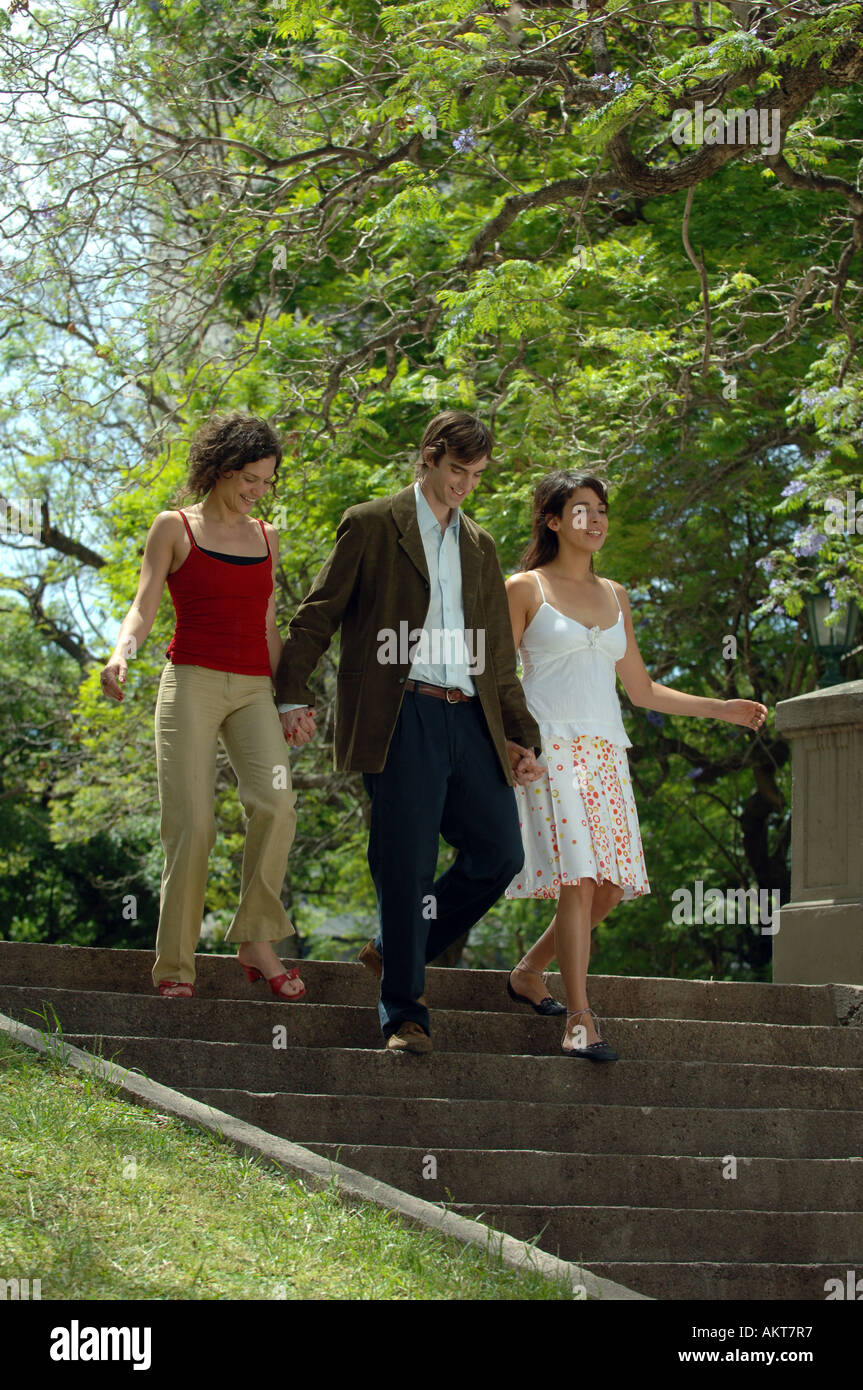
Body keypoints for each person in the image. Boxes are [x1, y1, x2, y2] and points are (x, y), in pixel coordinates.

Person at [275, 410, 544, 1052]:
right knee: (406, 864)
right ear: (428, 456)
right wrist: (290, 693)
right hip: (403, 715)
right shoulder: (372, 524)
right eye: (458, 470)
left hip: (469, 718)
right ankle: (405, 1014)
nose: (465, 486)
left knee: (500, 852)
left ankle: (398, 945)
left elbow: (496, 654)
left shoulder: (479, 546)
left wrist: (519, 733)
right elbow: (318, 615)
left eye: (476, 476)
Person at [504, 471, 768, 1060]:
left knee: (610, 890)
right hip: (550, 751)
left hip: (606, 752)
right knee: (577, 882)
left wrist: (719, 709)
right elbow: (494, 680)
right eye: (580, 510)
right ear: (552, 520)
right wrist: (511, 748)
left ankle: (528, 973)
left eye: (601, 510)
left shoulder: (616, 595)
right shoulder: (524, 588)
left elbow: (642, 690)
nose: (594, 520)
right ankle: (580, 1020)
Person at [99, 413, 305, 1001]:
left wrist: (290, 700)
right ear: (218, 468)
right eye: (248, 478)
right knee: (193, 826)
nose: (257, 491)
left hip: (251, 693)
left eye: (266, 481)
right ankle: (174, 966)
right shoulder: (174, 527)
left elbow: (268, 625)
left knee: (277, 803)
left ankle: (256, 938)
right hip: (189, 682)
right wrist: (123, 655)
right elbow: (143, 605)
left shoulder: (266, 536)